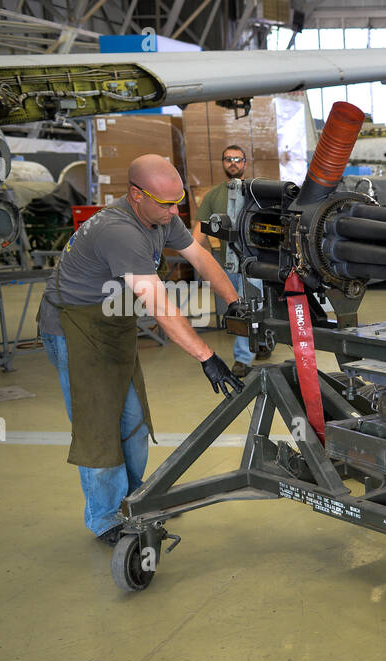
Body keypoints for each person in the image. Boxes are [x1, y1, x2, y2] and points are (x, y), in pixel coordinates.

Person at [38, 154, 245, 546]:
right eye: (166, 203)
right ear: (136, 195)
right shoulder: (121, 231)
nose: (174, 211)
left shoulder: (161, 216)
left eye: (178, 201)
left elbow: (201, 257)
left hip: (112, 325)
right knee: (100, 429)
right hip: (74, 329)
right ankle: (105, 519)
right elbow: (160, 306)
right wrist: (208, 356)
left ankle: (134, 501)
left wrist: (235, 303)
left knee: (132, 425)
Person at [192, 143, 268, 378]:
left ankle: (245, 357)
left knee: (254, 306)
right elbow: (201, 229)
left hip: (255, 263)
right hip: (229, 263)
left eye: (237, 159)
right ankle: (256, 345)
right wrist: (194, 254)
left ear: (245, 163)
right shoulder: (214, 196)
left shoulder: (257, 191)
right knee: (240, 309)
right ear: (223, 164)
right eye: (228, 159)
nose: (233, 163)